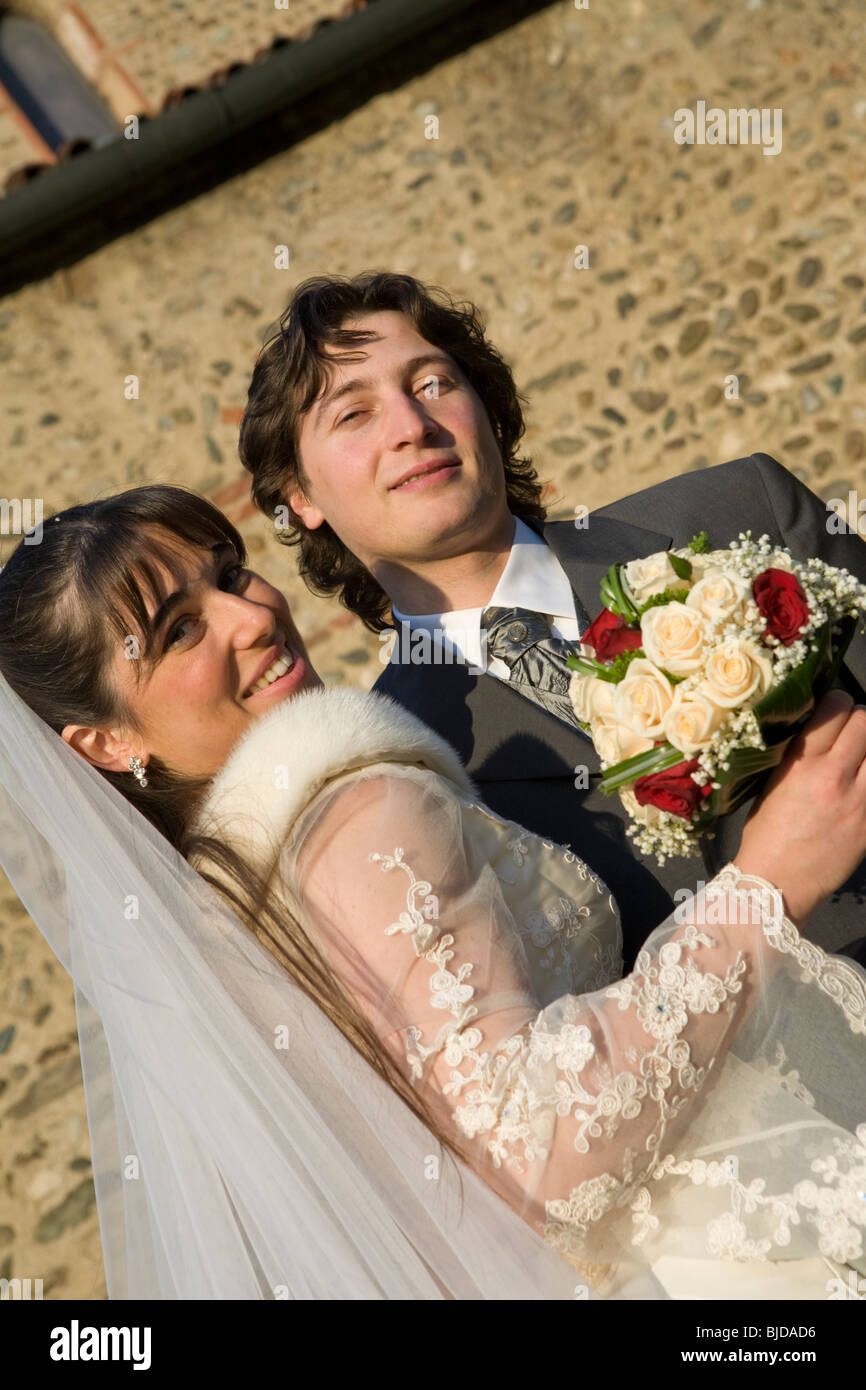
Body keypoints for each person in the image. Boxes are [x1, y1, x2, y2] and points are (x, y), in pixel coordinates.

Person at [0, 484, 865, 1301]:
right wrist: (766, 884)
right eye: (180, 630)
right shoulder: (349, 805)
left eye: (230, 575)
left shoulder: (218, 926)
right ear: (107, 745)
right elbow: (542, 1154)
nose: (253, 616)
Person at [237, 269, 866, 972]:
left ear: (485, 404)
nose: (412, 426)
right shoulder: (396, 776)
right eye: (354, 414)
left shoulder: (741, 510)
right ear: (301, 496)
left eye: (433, 384)